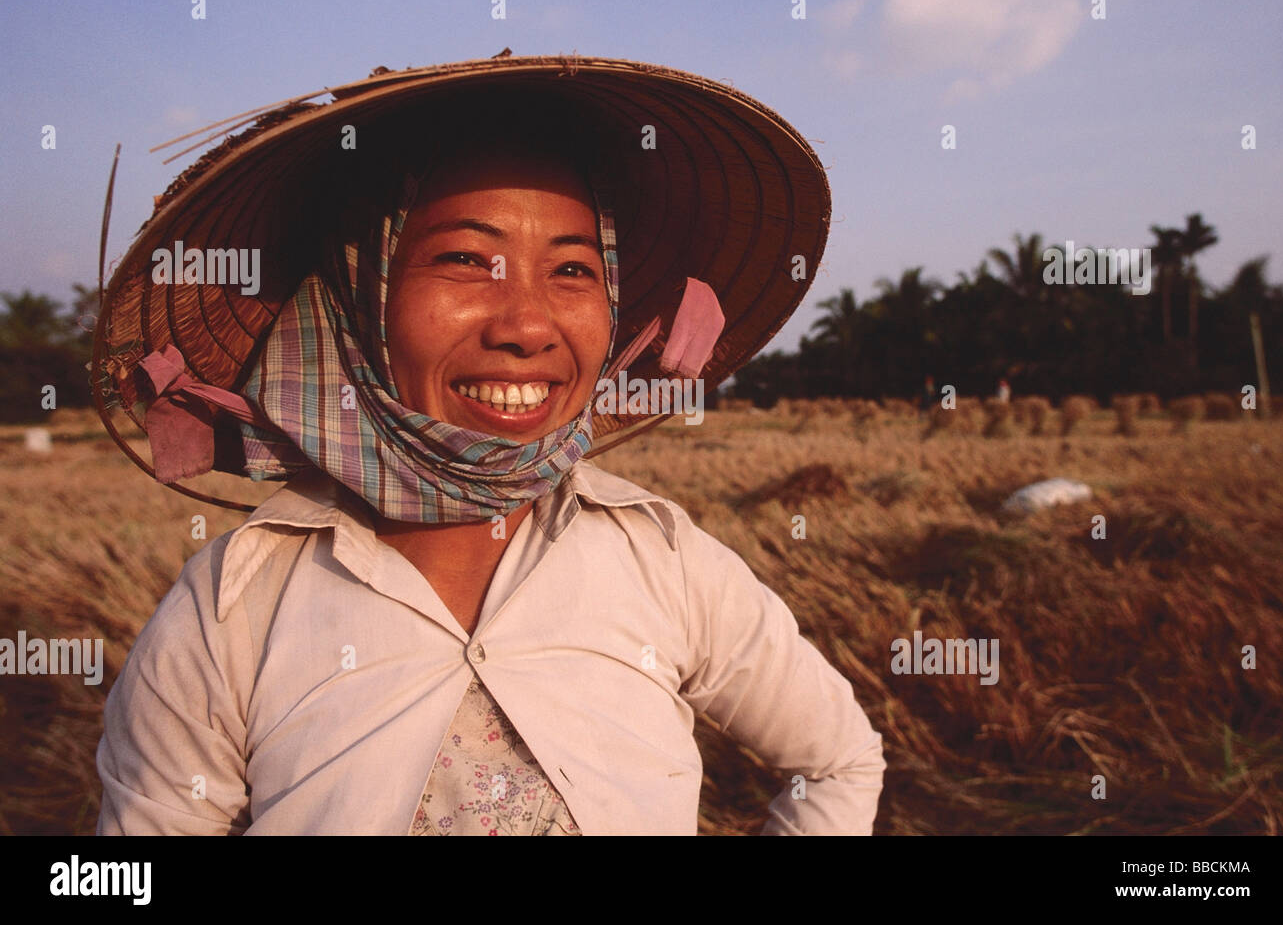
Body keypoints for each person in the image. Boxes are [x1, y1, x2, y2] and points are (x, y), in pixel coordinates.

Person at [91, 55, 886, 835]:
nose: (528, 326)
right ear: (359, 299)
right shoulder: (233, 608)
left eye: (572, 269)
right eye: (466, 259)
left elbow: (840, 763)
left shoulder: (667, 564)